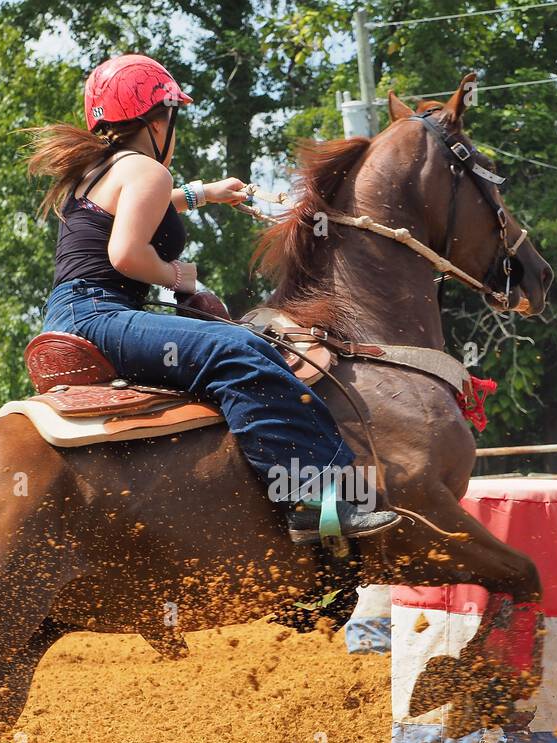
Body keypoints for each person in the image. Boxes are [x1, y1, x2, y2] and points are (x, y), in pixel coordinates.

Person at [25, 54, 397, 544]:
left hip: (72, 314)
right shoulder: (144, 170)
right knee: (240, 351)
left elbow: (147, 204)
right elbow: (126, 254)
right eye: (174, 118)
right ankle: (313, 500)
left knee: (234, 346)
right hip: (101, 315)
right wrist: (183, 277)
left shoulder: (98, 170)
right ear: (159, 120)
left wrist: (204, 194)